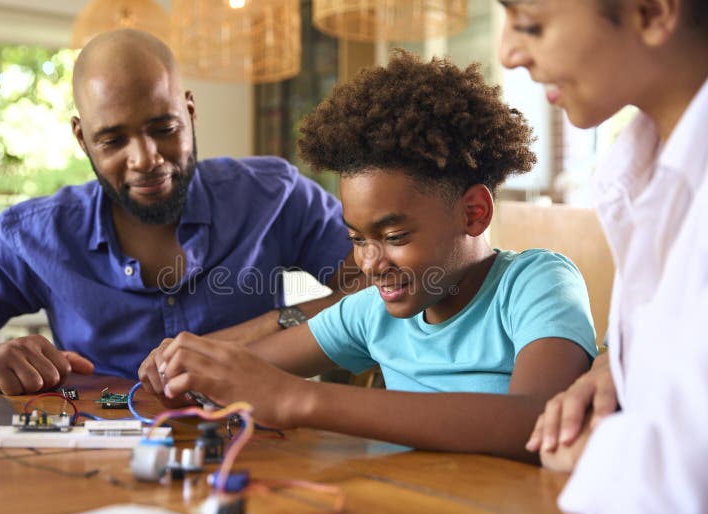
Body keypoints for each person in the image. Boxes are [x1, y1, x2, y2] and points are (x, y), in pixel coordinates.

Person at [150, 51, 597, 462]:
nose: (370, 263)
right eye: (358, 239)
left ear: (473, 213)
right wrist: (194, 365)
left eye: (395, 234)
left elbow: (538, 421)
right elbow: (249, 373)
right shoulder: (370, 314)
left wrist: (302, 399)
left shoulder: (536, 283)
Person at [0, 29, 356, 395]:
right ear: (82, 139)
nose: (145, 158)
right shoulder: (37, 235)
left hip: (263, 452)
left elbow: (386, 290)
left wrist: (274, 325)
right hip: (97, 466)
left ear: (191, 111)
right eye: (113, 140)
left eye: (164, 129)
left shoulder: (274, 196)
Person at [499, 0, 708, 514]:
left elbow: (685, 492)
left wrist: (599, 453)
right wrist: (619, 368)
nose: (507, 52)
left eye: (530, 24)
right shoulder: (643, 178)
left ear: (652, 13)